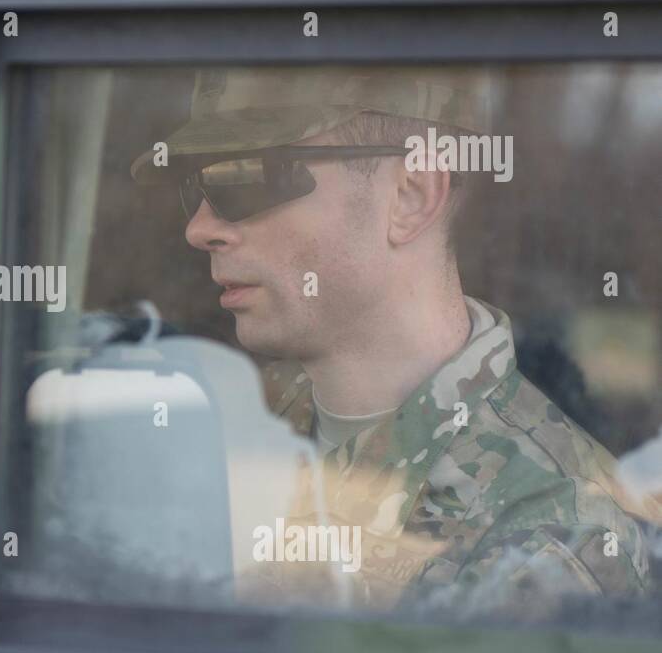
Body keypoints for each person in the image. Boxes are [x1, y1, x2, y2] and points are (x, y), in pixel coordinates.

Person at [132, 66, 649, 620]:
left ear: (410, 196)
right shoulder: (238, 428)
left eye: (244, 179)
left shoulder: (554, 530)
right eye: (196, 186)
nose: (199, 228)